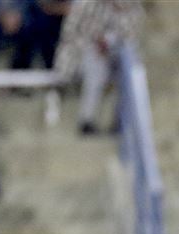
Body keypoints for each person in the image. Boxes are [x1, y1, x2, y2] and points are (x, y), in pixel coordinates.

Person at [54, 0, 142, 135]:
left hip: (116, 55)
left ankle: (120, 121)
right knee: (96, 67)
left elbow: (131, 36)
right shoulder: (85, 4)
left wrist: (109, 42)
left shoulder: (132, 8)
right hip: (81, 54)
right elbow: (69, 33)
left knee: (128, 69)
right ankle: (86, 120)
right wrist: (95, 44)